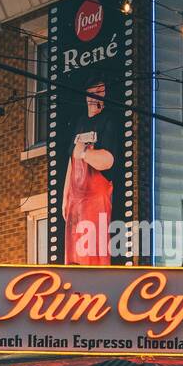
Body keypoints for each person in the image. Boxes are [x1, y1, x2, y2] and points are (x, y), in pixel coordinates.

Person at [61, 80, 116, 264]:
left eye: (100, 92)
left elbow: (108, 161)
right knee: (75, 255)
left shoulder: (108, 120)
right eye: (91, 92)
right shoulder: (80, 123)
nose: (94, 97)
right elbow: (72, 160)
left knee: (94, 252)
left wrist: (84, 153)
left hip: (96, 199)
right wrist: (65, 197)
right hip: (76, 201)